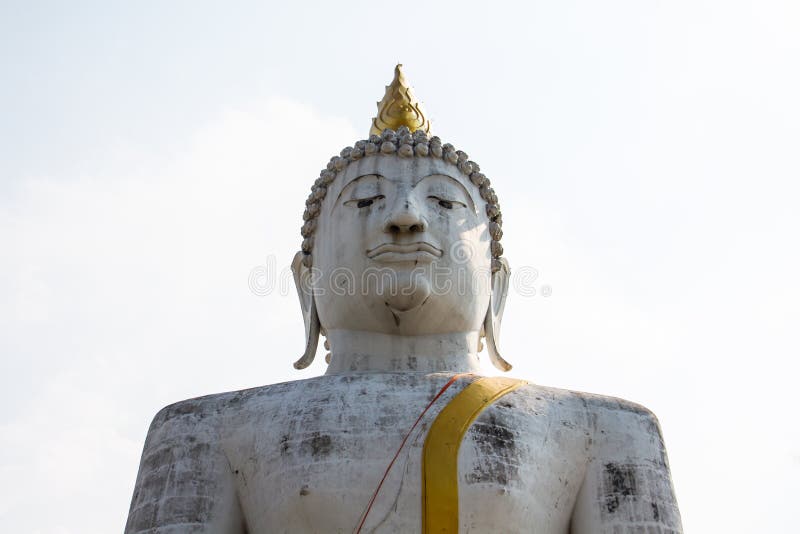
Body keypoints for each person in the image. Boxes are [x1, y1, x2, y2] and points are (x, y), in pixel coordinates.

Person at [125, 65, 682, 533]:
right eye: (365, 199)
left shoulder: (603, 430)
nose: (405, 218)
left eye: (442, 200)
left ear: (498, 284)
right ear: (306, 280)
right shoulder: (207, 429)